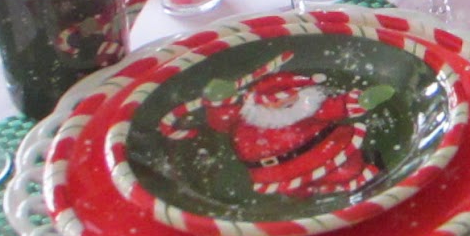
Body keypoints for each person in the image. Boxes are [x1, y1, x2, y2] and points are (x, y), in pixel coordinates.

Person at [158, 59, 380, 199]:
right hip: (275, 172)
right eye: (273, 100)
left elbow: (334, 107)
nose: (279, 105)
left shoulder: (308, 110)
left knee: (347, 170)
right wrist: (220, 99)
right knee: (294, 193)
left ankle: (357, 188)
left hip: (326, 152)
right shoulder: (246, 120)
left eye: (287, 99)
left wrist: (362, 100)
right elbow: (221, 120)